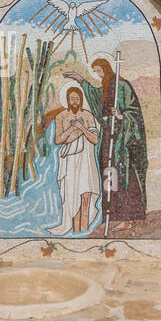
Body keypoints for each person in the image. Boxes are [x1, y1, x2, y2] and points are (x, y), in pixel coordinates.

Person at [64, 57, 147, 231]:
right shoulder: (106, 88)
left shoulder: (122, 86)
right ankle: (112, 216)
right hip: (109, 137)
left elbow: (135, 113)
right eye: (96, 72)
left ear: (107, 69)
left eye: (99, 71)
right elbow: (95, 97)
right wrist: (80, 80)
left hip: (123, 142)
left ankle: (128, 218)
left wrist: (121, 117)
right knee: (110, 177)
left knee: (125, 177)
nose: (98, 75)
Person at [45, 86, 101, 234]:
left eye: (77, 98)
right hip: (70, 161)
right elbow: (58, 140)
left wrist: (81, 127)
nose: (75, 101)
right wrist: (71, 129)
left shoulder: (88, 116)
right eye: (72, 99)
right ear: (67, 100)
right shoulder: (61, 116)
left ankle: (84, 229)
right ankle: (77, 232)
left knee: (86, 195)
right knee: (74, 196)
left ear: (81, 100)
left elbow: (94, 139)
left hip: (86, 160)